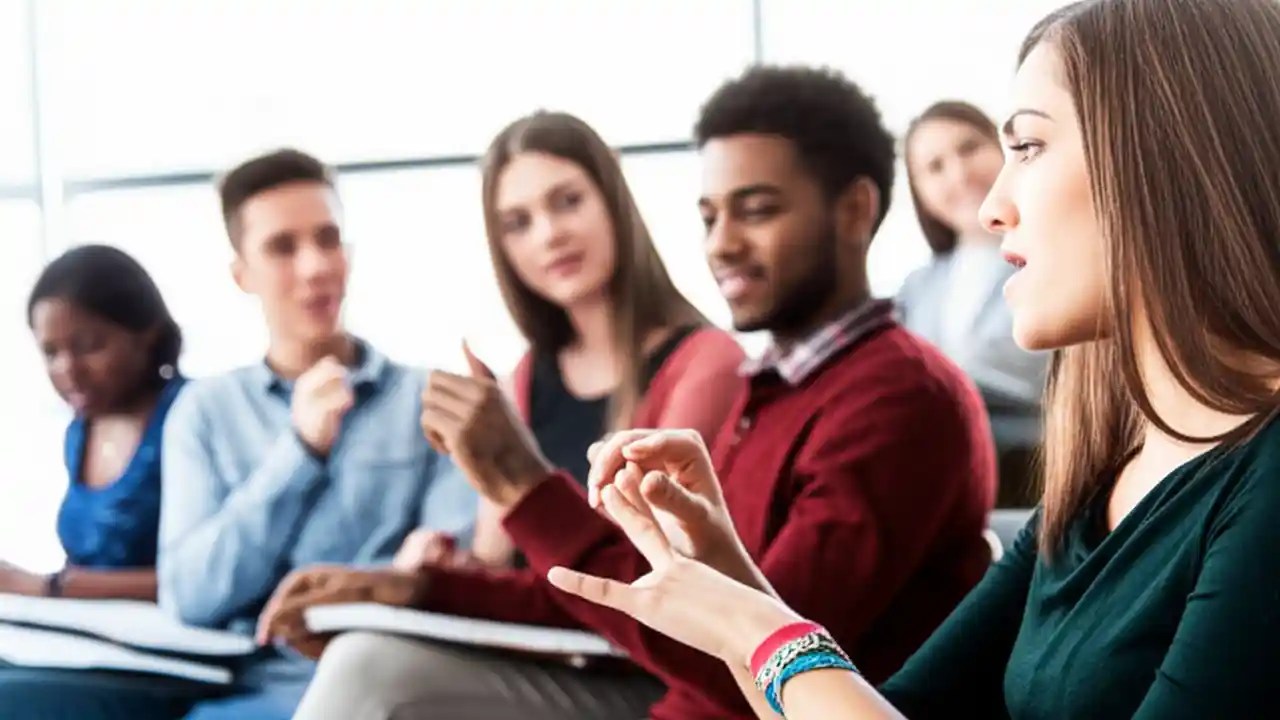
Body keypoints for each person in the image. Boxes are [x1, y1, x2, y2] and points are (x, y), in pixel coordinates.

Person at [548, 1, 1280, 718]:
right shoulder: (1100, 477)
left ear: (1166, 156)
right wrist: (726, 574)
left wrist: (754, 628)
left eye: (1026, 147)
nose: (992, 207)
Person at [261, 66, 996, 720]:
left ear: (855, 211)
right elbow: (659, 595)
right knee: (368, 658)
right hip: (661, 693)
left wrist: (523, 487)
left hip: (682, 695)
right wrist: (416, 591)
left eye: (758, 210)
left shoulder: (899, 400)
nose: (721, 244)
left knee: (374, 674)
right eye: (710, 216)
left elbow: (748, 657)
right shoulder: (768, 389)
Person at [396, 111, 744, 571]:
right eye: (518, 223)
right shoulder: (521, 381)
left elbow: (649, 570)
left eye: (568, 201)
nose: (550, 234)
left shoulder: (707, 362)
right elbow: (494, 561)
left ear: (613, 194)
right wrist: (444, 565)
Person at [0, 245, 195, 719]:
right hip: (88, 639)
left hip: (168, 652)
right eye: (51, 353)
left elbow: (204, 582)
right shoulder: (80, 431)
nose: (68, 370)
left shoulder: (191, 419)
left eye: (88, 346)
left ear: (145, 335)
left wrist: (46, 588)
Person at [897, 100, 1047, 409]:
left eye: (969, 149)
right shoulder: (915, 289)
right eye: (935, 167)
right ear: (919, 193)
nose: (959, 174)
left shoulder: (1055, 257)